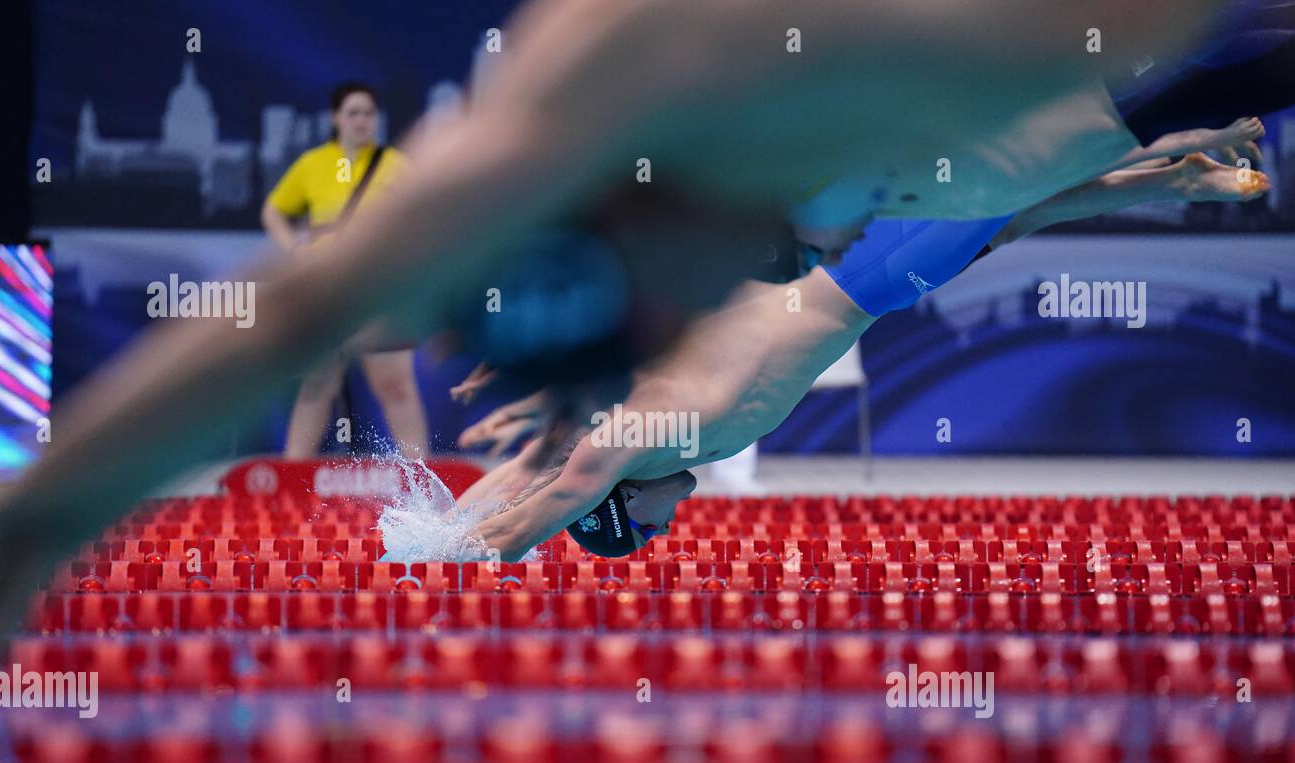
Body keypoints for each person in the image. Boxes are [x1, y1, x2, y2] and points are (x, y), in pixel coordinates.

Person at [0, 0, 1225, 640]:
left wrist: (455, 550)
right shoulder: (819, 181)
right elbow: (302, 315)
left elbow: (304, 319)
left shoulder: (633, 87)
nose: (688, 321)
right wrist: (1152, 177)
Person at [456, 147, 1270, 560]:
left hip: (862, 281)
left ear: (623, 505)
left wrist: (463, 552)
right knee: (1013, 212)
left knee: (1017, 185)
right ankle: (1176, 173)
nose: (670, 527)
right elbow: (535, 471)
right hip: (865, 284)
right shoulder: (662, 432)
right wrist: (460, 521)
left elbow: (547, 498)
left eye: (651, 530)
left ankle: (1174, 146)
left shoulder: (643, 437)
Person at [261, 81, 430, 459]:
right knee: (317, 384)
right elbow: (273, 211)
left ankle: (423, 476)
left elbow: (422, 211)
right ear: (337, 118)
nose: (361, 120)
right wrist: (295, 249)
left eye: (368, 113)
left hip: (381, 285)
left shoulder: (396, 165)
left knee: (396, 385)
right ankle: (292, 474)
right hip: (328, 286)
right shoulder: (313, 164)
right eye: (353, 113)